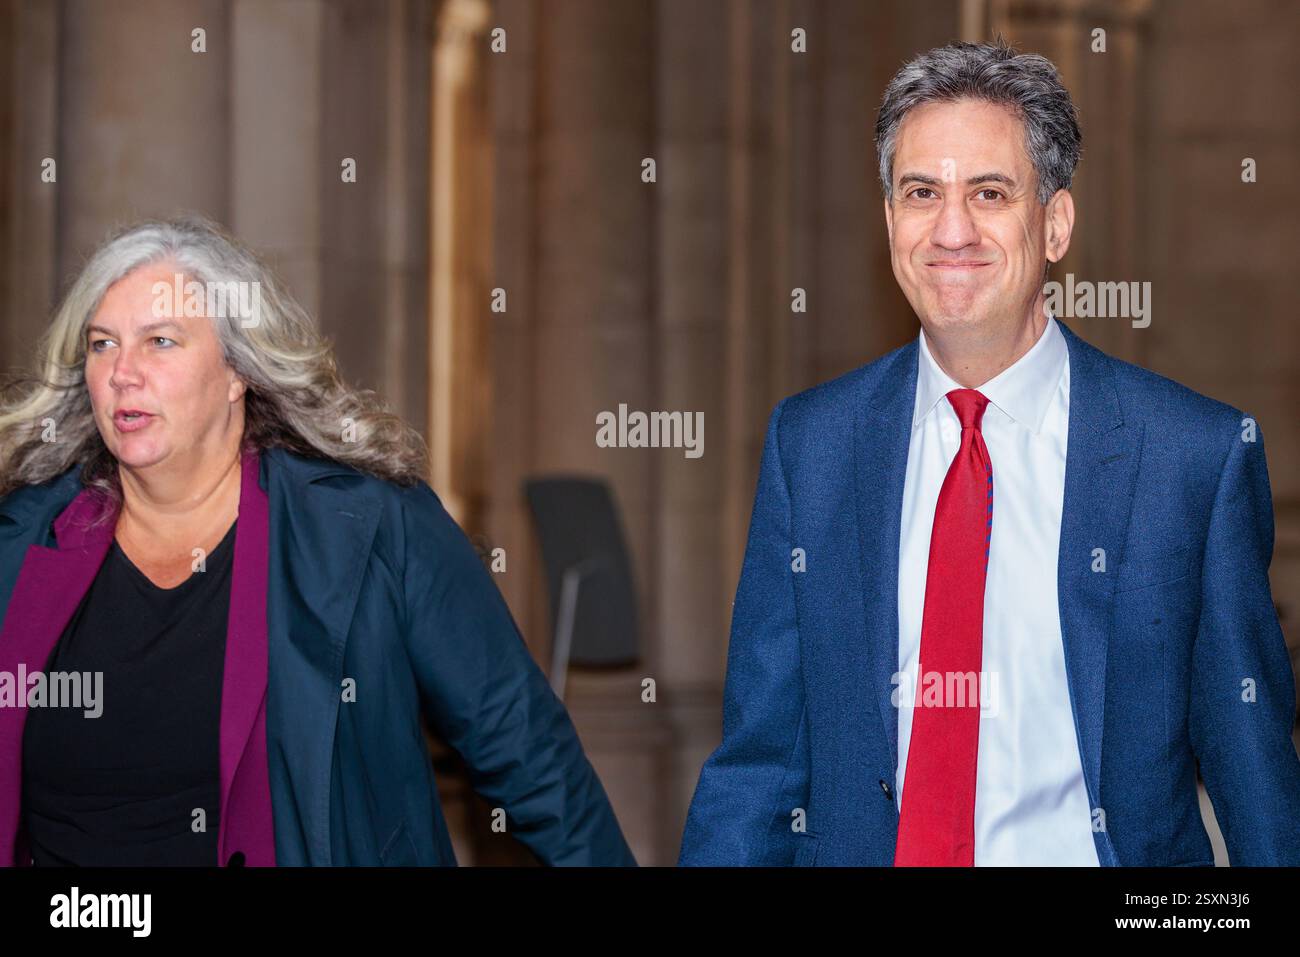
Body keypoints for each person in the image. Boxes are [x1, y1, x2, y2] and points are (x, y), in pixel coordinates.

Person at [679, 38, 1300, 866]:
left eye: (990, 192)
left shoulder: (1193, 456)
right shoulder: (813, 446)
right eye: (921, 192)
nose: (952, 230)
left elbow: (1254, 782)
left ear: (1055, 223)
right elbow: (758, 767)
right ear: (890, 220)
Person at [0, 214, 636, 867]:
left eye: (160, 340)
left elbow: (526, 747)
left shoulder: (369, 527)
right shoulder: (21, 541)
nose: (123, 372)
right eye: (103, 344)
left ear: (235, 372)